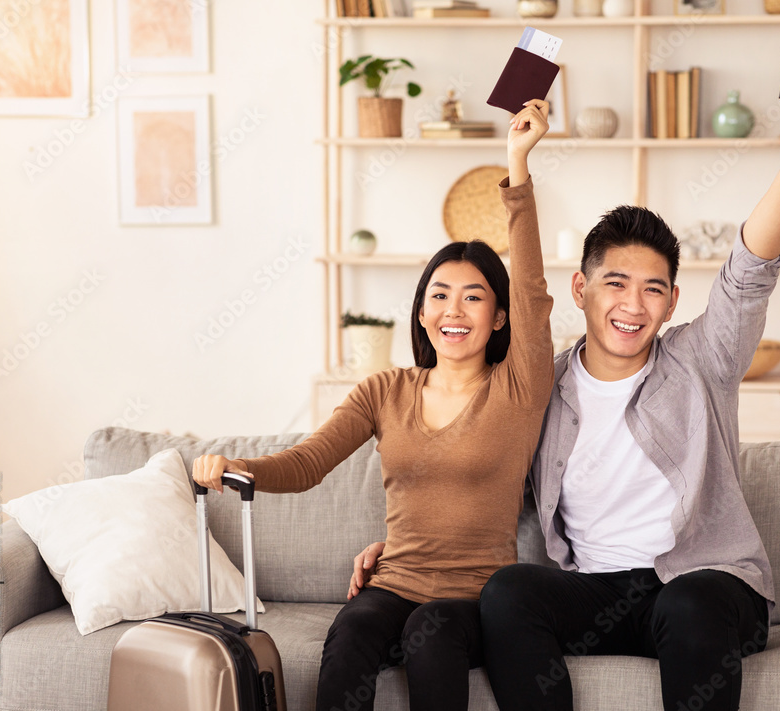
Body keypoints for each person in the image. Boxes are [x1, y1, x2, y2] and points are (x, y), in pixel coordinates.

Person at [352, 84, 780, 711]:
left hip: (705, 589)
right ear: (581, 289)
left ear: (671, 301)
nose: (633, 306)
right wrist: (404, 547)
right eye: (616, 283)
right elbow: (480, 477)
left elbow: (747, 274)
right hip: (598, 595)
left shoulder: (702, 360)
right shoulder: (539, 389)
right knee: (510, 591)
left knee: (689, 598)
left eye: (653, 290)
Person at [192, 99, 555, 711]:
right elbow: (309, 463)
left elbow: (534, 291)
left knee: (429, 633)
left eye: (474, 298)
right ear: (420, 312)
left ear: (498, 319)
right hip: (392, 584)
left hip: (473, 600)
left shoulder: (518, 388)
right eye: (440, 295)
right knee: (353, 632)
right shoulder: (383, 391)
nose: (454, 311)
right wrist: (239, 467)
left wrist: (517, 167)